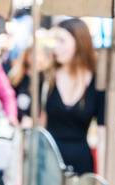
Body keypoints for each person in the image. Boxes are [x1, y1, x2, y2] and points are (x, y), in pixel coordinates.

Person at [40, 18, 105, 176]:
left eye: (61, 40)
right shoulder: (46, 78)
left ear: (79, 42)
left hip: (81, 165)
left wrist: (101, 180)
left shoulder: (97, 83)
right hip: (48, 162)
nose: (56, 47)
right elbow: (37, 127)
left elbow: (103, 134)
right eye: (55, 40)